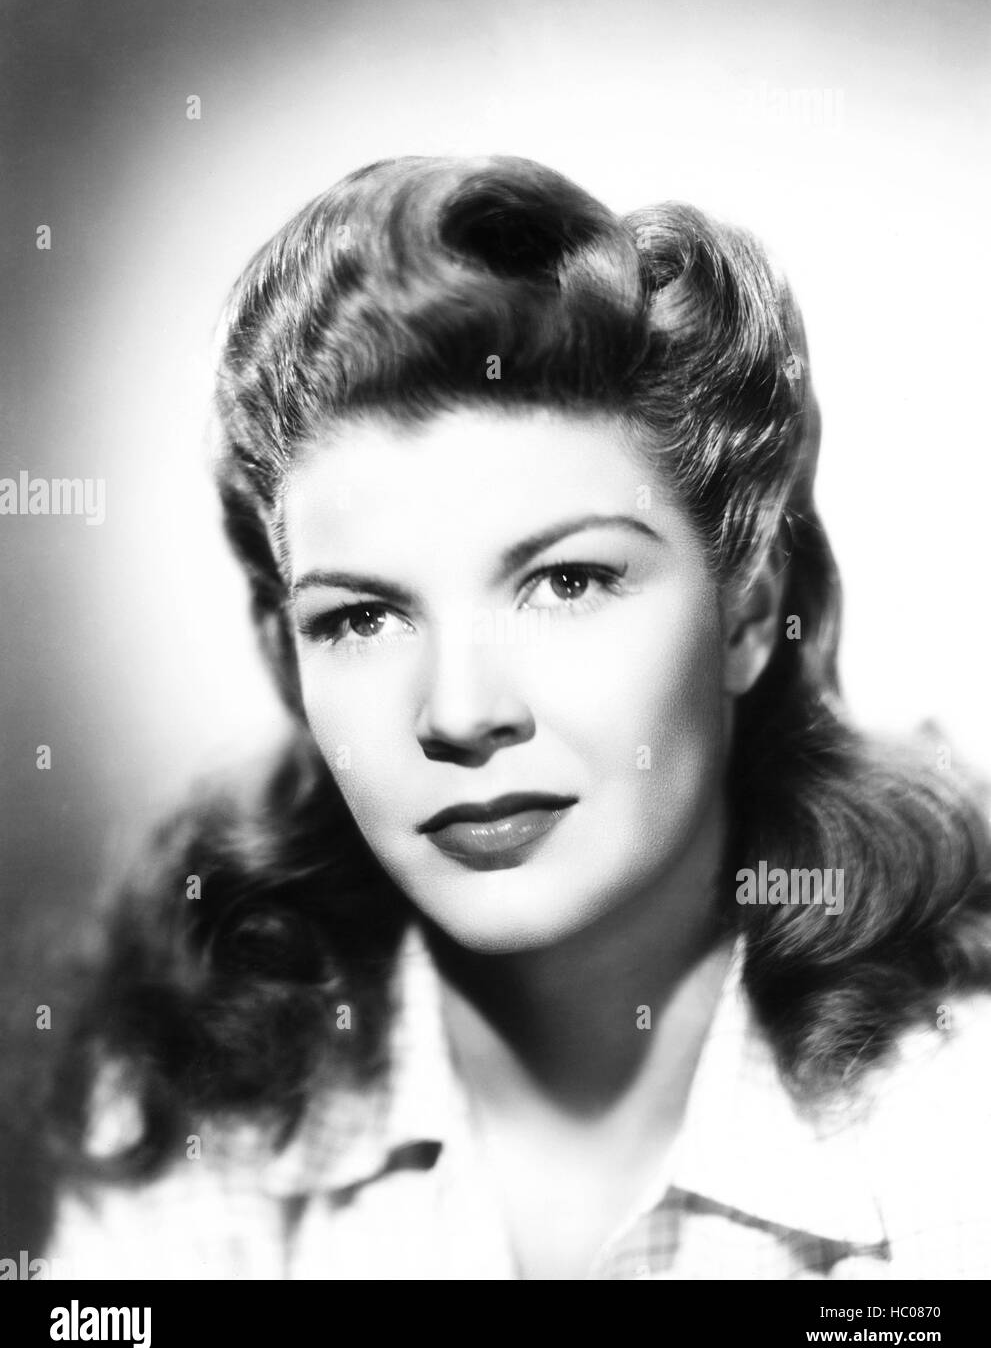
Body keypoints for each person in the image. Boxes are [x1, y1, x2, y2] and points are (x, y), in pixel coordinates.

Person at [40, 154, 991, 1280]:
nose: (460, 712)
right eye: (359, 618)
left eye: (570, 582)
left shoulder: (953, 1128)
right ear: (287, 662)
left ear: (747, 615)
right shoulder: (208, 1103)